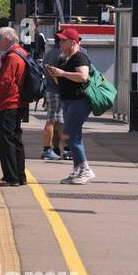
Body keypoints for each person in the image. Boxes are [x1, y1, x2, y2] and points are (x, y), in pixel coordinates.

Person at [45, 26, 95, 184]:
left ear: (72, 42)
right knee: (74, 136)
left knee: (69, 135)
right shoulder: (65, 58)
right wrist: (56, 75)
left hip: (79, 101)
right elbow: (64, 81)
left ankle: (85, 169)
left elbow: (83, 76)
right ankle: (77, 170)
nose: (59, 42)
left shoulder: (80, 57)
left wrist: (62, 73)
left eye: (63, 40)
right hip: (68, 100)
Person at [0, 26, 28, 187]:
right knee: (16, 139)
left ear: (7, 39)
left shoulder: (12, 58)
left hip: (10, 103)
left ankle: (10, 177)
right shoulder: (22, 53)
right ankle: (20, 175)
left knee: (6, 141)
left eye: (0, 39)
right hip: (20, 102)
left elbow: (4, 81)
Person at [40, 37, 65, 161]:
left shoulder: (49, 53)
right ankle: (47, 149)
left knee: (58, 121)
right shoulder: (61, 55)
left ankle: (60, 148)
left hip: (50, 89)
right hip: (57, 90)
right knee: (52, 120)